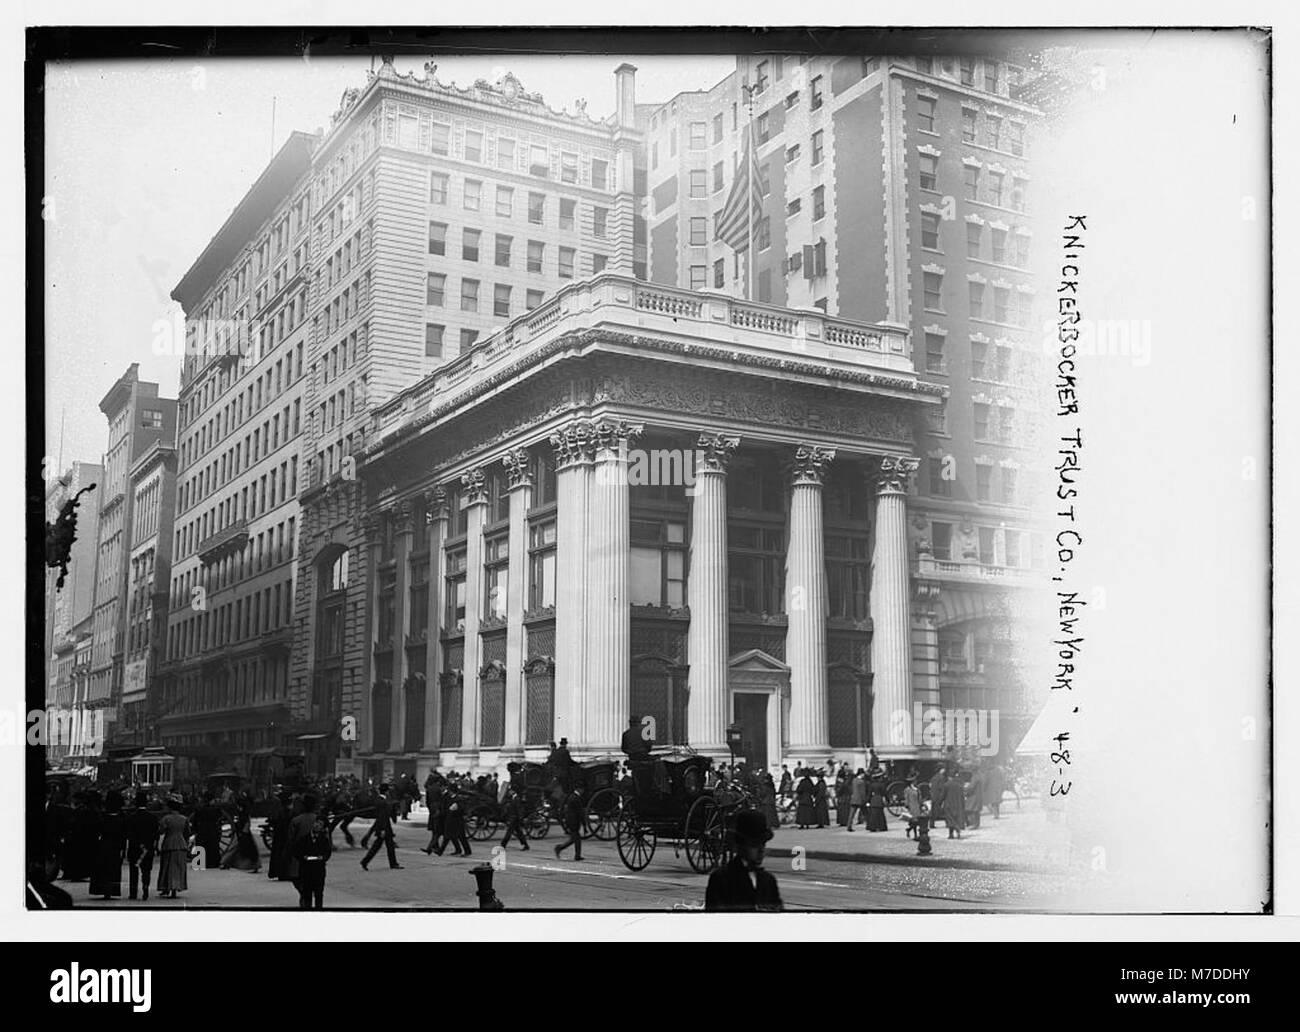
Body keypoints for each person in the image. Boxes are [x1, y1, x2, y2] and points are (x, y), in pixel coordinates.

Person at [704, 811, 782, 912]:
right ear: (740, 846)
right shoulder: (721, 879)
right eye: (754, 845)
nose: (761, 850)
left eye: (763, 844)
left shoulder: (768, 881)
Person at [89, 790, 127, 900]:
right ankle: (112, 890)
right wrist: (123, 848)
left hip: (103, 845)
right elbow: (123, 835)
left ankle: (103, 889)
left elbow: (97, 831)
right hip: (116, 846)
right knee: (113, 869)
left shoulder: (102, 817)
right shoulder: (121, 818)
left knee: (102, 868)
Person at [294, 804, 333, 909]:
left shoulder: (324, 840)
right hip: (306, 870)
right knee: (307, 894)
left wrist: (323, 858)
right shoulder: (304, 839)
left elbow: (328, 852)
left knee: (319, 894)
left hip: (318, 870)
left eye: (320, 824)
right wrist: (303, 857)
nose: (317, 825)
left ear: (323, 828)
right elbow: (296, 851)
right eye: (316, 823)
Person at [125, 791, 158, 900]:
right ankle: (145, 888)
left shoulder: (131, 817)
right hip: (147, 847)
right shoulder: (152, 818)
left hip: (135, 847)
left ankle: (133, 892)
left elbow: (128, 834)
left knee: (134, 870)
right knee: (146, 870)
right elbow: (156, 834)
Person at [155, 797, 190, 899]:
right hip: (181, 844)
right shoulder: (184, 819)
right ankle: (176, 886)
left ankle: (166, 887)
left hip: (169, 843)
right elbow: (187, 832)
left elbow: (161, 831)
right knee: (178, 867)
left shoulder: (166, 819)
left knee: (167, 867)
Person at [360, 787, 403, 870]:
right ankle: (392, 864)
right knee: (380, 846)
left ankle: (392, 863)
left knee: (385, 846)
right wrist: (382, 829)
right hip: (384, 827)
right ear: (386, 792)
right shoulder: (383, 802)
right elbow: (382, 816)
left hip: (384, 826)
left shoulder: (379, 800)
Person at [191, 793, 224, 870]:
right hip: (213, 829)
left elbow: (195, 821)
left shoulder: (199, 810)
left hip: (202, 830)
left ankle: (200, 862)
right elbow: (220, 819)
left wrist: (195, 829)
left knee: (202, 845)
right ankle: (213, 863)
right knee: (213, 846)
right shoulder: (216, 810)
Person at [553, 787, 585, 861]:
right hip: (573, 821)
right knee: (576, 839)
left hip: (571, 820)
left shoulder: (572, 797)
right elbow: (578, 811)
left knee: (574, 838)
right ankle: (576, 855)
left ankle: (560, 848)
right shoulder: (575, 798)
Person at [943, 770, 967, 839]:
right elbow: (962, 795)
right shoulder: (959, 785)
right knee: (956, 818)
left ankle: (952, 833)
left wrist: (940, 802)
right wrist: (963, 804)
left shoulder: (946, 785)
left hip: (949, 804)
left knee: (950, 819)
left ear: (949, 777)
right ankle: (957, 831)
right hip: (958, 804)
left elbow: (943, 795)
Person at [904, 774, 925, 840]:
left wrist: (922, 804)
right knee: (914, 821)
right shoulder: (907, 790)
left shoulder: (917, 789)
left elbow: (920, 798)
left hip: (917, 806)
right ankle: (915, 835)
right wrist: (907, 805)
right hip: (912, 807)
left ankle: (909, 830)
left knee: (918, 821)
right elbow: (906, 798)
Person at [929, 767, 948, 831]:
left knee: (933, 810)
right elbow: (942, 787)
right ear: (941, 769)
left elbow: (930, 785)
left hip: (933, 795)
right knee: (943, 810)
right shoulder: (942, 777)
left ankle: (931, 823)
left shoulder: (934, 777)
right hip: (938, 796)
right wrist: (943, 796)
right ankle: (948, 823)